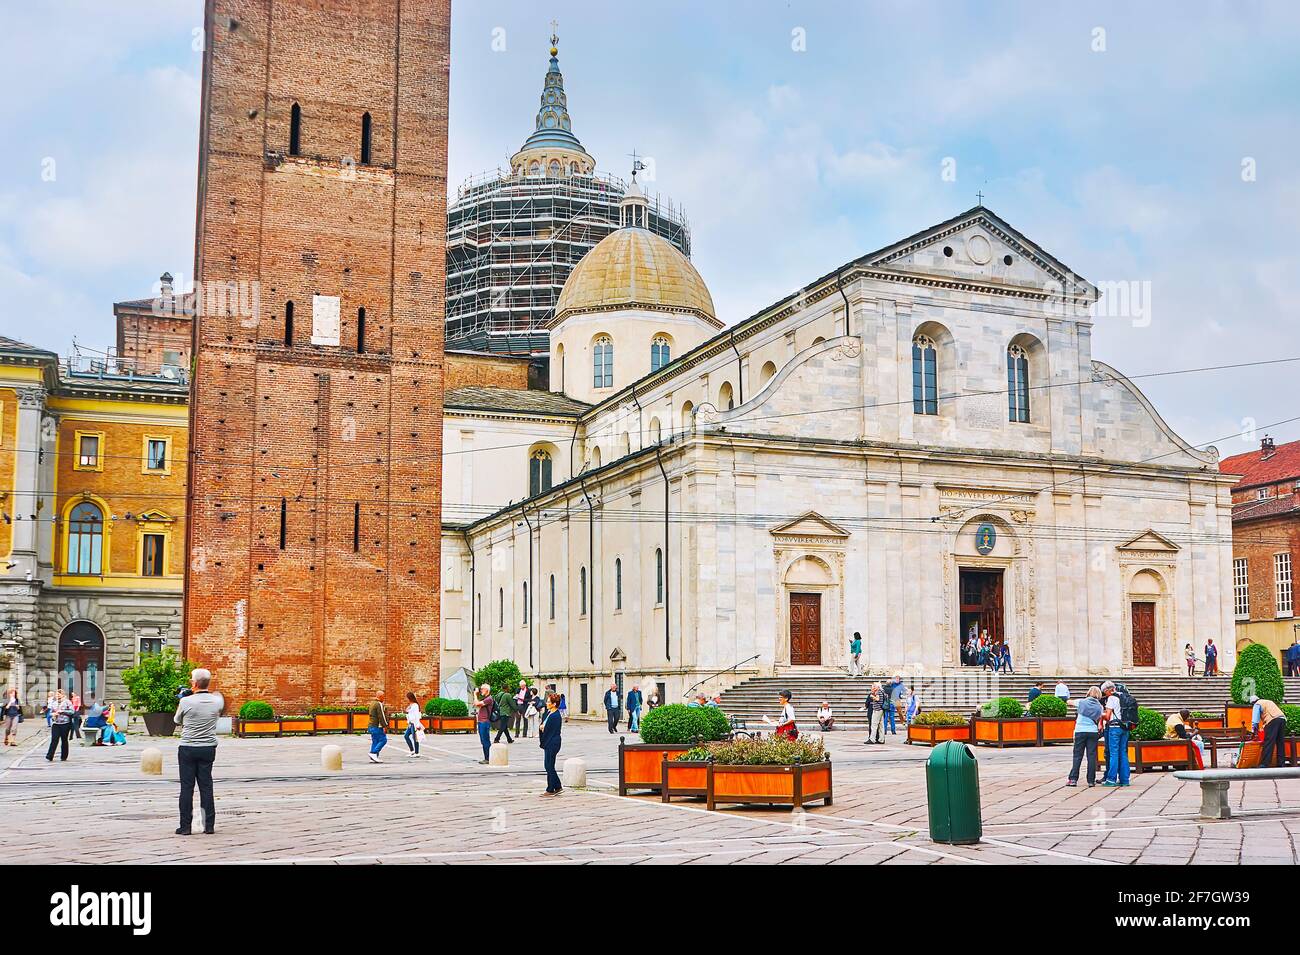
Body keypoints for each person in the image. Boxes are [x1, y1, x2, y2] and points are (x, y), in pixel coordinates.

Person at [173, 668, 225, 835]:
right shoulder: (217, 701)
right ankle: (208, 825)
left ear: (194, 683)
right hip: (208, 747)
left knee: (187, 787)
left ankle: (186, 826)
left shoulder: (186, 702)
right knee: (206, 786)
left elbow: (176, 720)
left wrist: (184, 698)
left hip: (188, 747)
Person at [1066, 687, 1104, 787]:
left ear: (1088, 693)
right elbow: (1099, 718)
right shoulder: (1100, 706)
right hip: (1092, 731)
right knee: (1091, 756)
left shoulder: (1081, 702)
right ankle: (1091, 780)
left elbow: (1069, 702)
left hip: (1080, 730)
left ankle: (1073, 779)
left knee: (1077, 756)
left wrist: (1068, 699)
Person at [1100, 680, 1132, 787]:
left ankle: (1111, 779)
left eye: (1105, 692)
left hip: (1114, 727)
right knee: (1123, 753)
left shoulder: (1112, 698)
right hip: (1125, 727)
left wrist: (1100, 714)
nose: (1105, 694)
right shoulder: (1124, 696)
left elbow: (1108, 716)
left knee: (1114, 753)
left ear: (1108, 690)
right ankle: (1124, 780)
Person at [1251, 694, 1287, 768]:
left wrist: (1254, 729)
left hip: (1272, 720)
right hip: (1282, 719)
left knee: (1269, 742)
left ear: (1253, 702)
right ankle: (1281, 763)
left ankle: (1265, 763)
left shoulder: (1257, 704)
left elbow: (1255, 720)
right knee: (1280, 742)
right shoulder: (1268, 701)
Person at [539, 692, 564, 795]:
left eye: (549, 702)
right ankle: (557, 786)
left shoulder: (556, 716)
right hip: (548, 742)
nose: (547, 703)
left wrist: (543, 728)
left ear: (554, 704)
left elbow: (550, 730)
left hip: (552, 742)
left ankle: (551, 789)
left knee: (549, 765)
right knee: (548, 765)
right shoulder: (549, 713)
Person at [44, 689, 75, 762]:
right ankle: (50, 756)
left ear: (63, 695)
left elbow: (72, 711)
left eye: (59, 694)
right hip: (56, 723)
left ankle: (64, 756)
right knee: (54, 739)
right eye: (57, 694)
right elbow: (50, 712)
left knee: (64, 740)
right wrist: (53, 714)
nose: (58, 696)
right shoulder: (53, 702)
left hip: (65, 723)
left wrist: (62, 711)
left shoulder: (67, 702)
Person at [473, 684, 495, 763]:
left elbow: (477, 704)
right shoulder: (486, 698)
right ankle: (487, 757)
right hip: (481, 722)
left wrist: (475, 694)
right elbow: (477, 703)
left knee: (485, 740)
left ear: (487, 690)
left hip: (484, 722)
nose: (481, 690)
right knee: (483, 740)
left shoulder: (489, 699)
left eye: (482, 689)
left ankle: (488, 758)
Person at [366, 690, 388, 764]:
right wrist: (385, 726)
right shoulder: (379, 704)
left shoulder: (372, 703)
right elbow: (381, 716)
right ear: (380, 696)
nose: (384, 698)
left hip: (371, 725)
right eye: (383, 696)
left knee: (375, 741)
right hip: (377, 726)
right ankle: (374, 753)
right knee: (383, 740)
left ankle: (373, 757)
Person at [403, 692, 423, 758]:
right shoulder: (411, 705)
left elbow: (417, 715)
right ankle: (412, 751)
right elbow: (408, 714)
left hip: (414, 724)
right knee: (406, 736)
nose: (406, 699)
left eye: (407, 698)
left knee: (415, 738)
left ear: (410, 698)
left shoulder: (415, 705)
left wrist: (417, 725)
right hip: (410, 724)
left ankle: (417, 752)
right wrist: (408, 722)